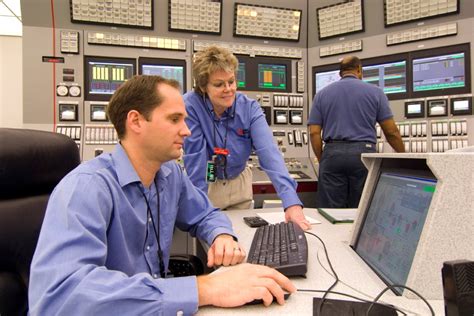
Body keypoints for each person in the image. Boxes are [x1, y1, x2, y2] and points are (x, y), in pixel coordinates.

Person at [28, 75, 296, 315]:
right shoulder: (86, 188)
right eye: (174, 119)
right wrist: (204, 289)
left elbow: (205, 213)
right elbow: (60, 297)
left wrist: (221, 235)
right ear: (136, 121)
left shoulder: (170, 175)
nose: (187, 131)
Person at [182, 45, 311, 230]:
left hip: (239, 182)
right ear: (203, 86)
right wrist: (199, 209)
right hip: (206, 183)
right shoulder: (191, 106)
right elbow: (196, 161)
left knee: (242, 236)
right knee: (210, 238)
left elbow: (270, 154)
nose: (228, 89)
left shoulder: (249, 108)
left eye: (231, 81)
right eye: (219, 84)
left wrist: (291, 203)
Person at [308, 56, 405, 208]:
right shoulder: (376, 93)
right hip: (363, 154)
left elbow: (314, 132)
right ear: (359, 70)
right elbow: (391, 132)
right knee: (362, 210)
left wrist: (324, 158)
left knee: (330, 212)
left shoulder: (321, 94)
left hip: (332, 153)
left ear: (340, 73)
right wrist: (403, 157)